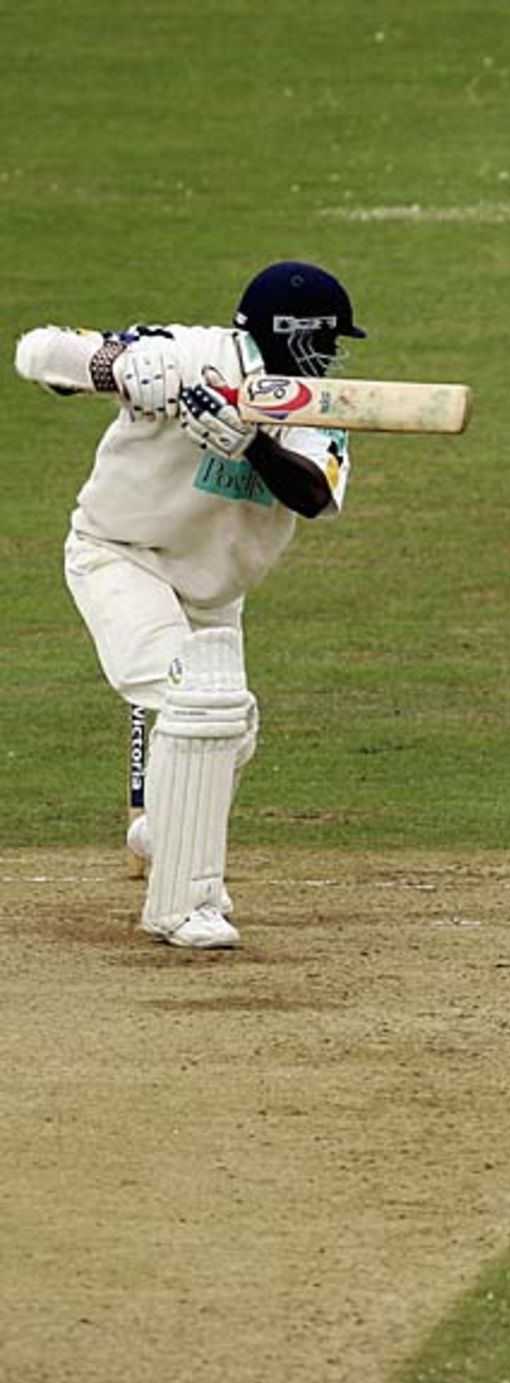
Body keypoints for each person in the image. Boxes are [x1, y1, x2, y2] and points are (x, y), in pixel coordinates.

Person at [14, 261, 367, 948]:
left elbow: (312, 496)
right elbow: (39, 353)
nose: (332, 355)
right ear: (293, 332)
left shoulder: (314, 403)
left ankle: (164, 831)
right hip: (121, 555)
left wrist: (249, 440)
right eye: (326, 339)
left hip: (214, 591)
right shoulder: (186, 352)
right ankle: (182, 905)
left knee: (231, 729)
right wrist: (122, 367)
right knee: (204, 706)